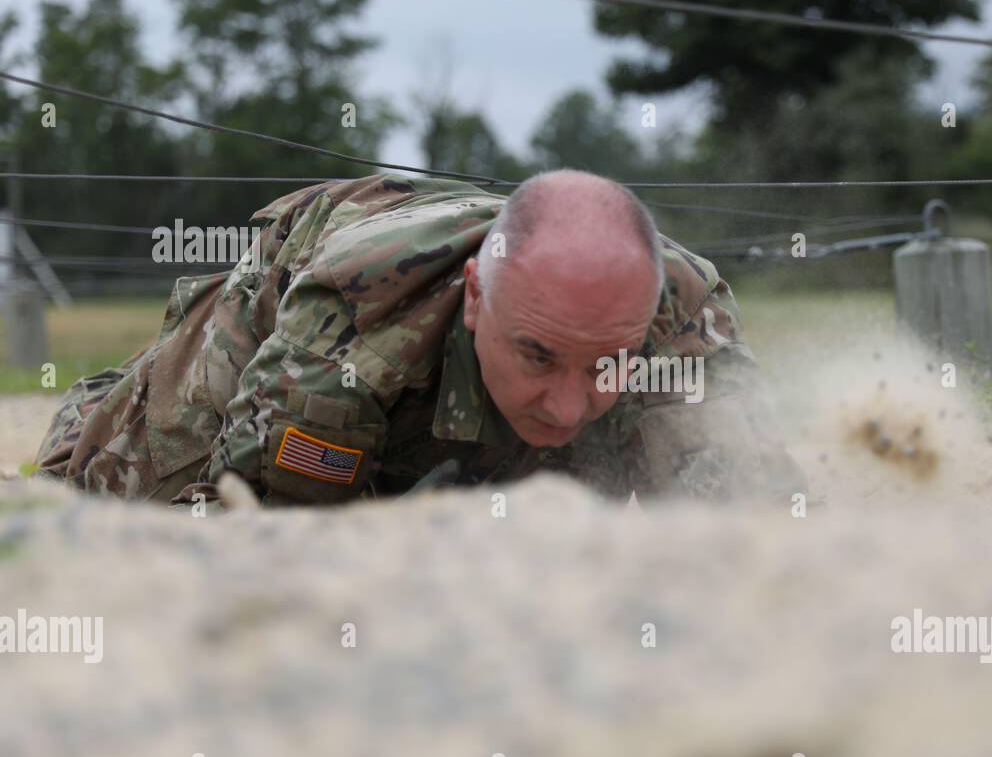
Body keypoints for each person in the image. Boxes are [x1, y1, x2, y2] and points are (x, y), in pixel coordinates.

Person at [34, 170, 805, 508]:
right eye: (539, 355)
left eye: (608, 364)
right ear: (476, 299)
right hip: (305, 272)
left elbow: (758, 510)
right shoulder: (345, 343)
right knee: (132, 491)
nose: (572, 406)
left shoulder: (685, 318)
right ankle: (97, 408)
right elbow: (268, 535)